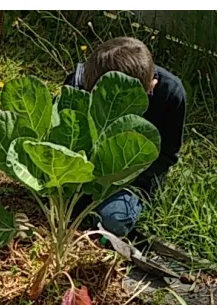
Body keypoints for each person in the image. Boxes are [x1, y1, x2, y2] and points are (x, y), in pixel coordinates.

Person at [66, 36, 186, 237]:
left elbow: (166, 155)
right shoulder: (78, 82)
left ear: (151, 86)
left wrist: (115, 178)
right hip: (81, 168)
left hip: (131, 178)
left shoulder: (170, 94)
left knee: (113, 219)